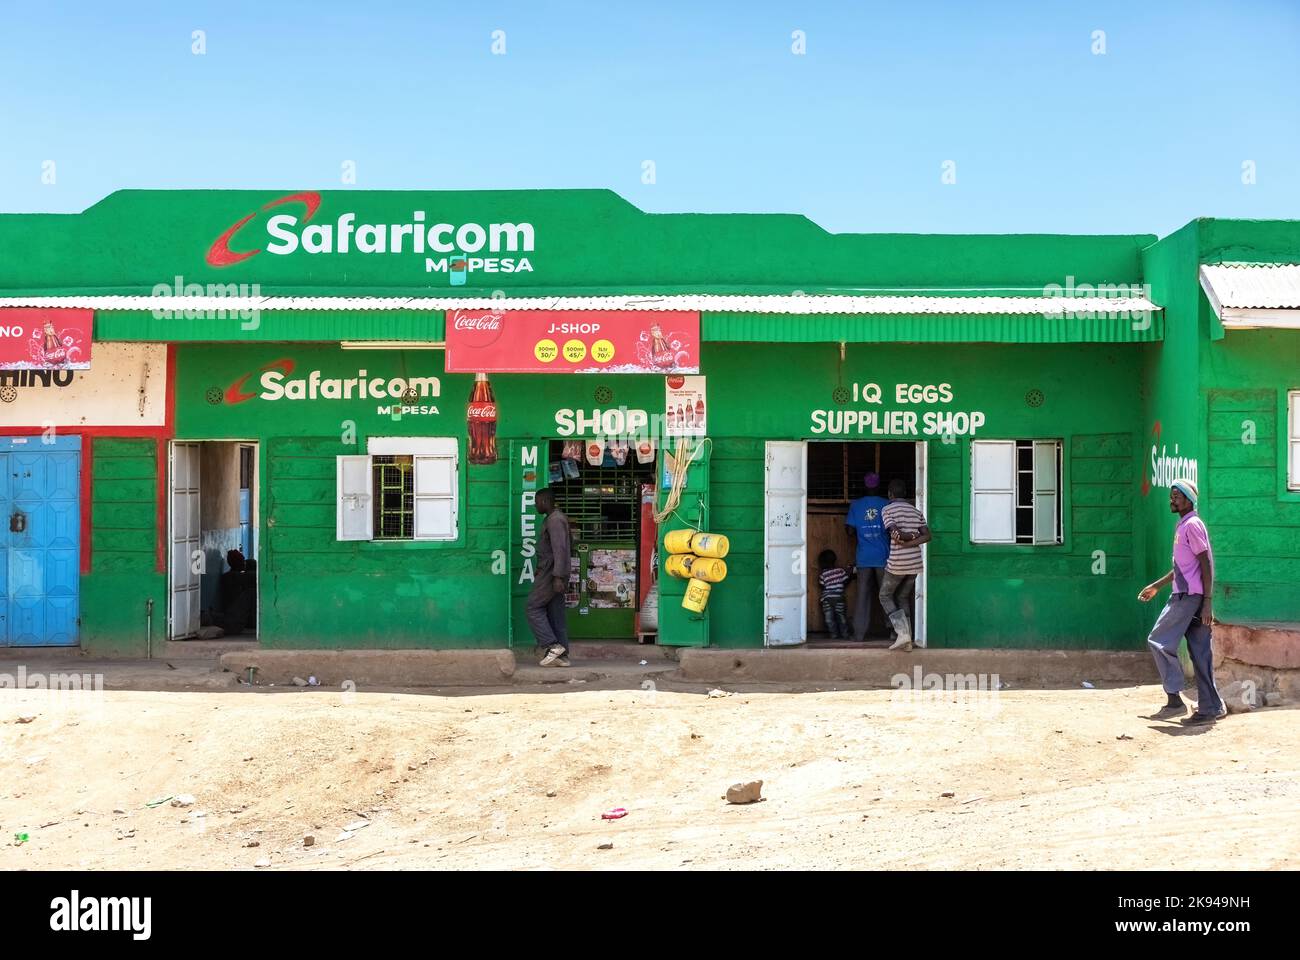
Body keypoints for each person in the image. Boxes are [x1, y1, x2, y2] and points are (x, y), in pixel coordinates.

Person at [1139, 479, 1225, 724]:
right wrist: (1157, 585)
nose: (1172, 499)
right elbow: (1182, 567)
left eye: (1177, 495)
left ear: (1189, 499)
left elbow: (1206, 562)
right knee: (1200, 654)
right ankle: (1211, 707)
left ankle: (1175, 701)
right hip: (1190, 596)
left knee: (1158, 640)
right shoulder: (1184, 525)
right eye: (1171, 495)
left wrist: (1207, 601)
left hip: (1188, 598)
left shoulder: (1192, 525)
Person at [880, 478, 929, 651]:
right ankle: (907, 642)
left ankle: (902, 633)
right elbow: (927, 535)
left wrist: (905, 539)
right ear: (905, 494)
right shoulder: (915, 511)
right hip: (914, 563)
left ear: (890, 494)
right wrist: (914, 536)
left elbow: (896, 534)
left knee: (885, 596)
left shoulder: (887, 509)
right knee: (901, 597)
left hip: (898, 563)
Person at [845, 472, 891, 641]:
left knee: (862, 596)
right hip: (884, 557)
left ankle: (859, 634)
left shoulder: (856, 505)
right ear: (879, 487)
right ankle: (894, 632)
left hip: (864, 557)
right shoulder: (886, 504)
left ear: (864, 486)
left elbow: (849, 531)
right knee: (887, 595)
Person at [529, 488, 572, 667]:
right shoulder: (555, 519)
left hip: (552, 573)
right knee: (556, 614)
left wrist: (557, 577)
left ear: (545, 502)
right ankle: (561, 656)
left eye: (537, 501)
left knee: (532, 607)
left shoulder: (555, 520)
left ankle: (552, 645)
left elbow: (560, 550)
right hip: (552, 572)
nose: (535, 505)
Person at [816, 549, 855, 640]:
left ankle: (834, 635)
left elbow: (821, 585)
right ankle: (845, 635)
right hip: (839, 598)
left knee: (828, 619)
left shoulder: (823, 574)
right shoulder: (840, 571)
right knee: (841, 617)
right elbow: (845, 581)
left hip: (827, 600)